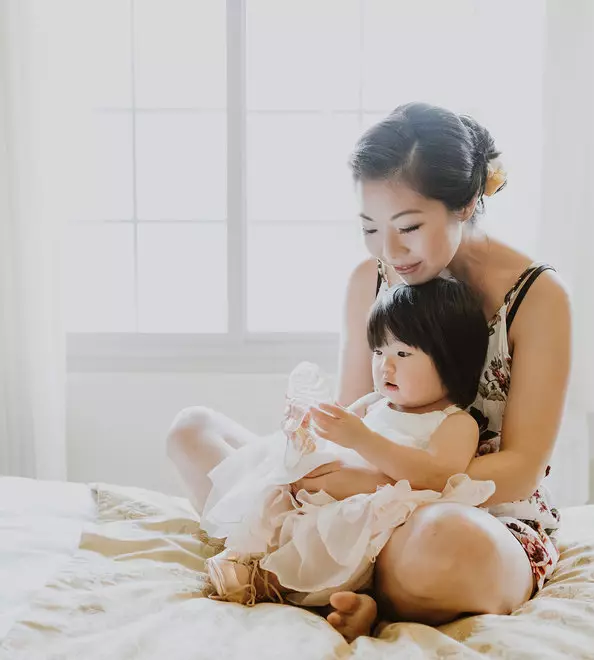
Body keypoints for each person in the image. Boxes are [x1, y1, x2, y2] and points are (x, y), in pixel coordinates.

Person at [167, 102, 570, 642]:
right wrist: (310, 451)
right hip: (362, 500)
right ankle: (347, 582)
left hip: (473, 514)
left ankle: (320, 579)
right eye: (370, 227)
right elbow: (363, 414)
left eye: (408, 227)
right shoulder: (370, 278)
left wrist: (389, 484)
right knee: (193, 432)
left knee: (445, 542)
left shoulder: (538, 298)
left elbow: (520, 469)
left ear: (467, 202)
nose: (389, 250)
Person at [200, 278, 493, 609]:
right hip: (314, 501)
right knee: (275, 483)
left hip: (375, 516)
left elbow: (438, 476)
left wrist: (363, 438)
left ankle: (269, 583)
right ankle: (247, 555)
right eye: (379, 351)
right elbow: (334, 439)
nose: (386, 365)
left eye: (402, 352)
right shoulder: (372, 403)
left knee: (338, 533)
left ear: (452, 359)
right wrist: (305, 430)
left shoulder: (454, 422)